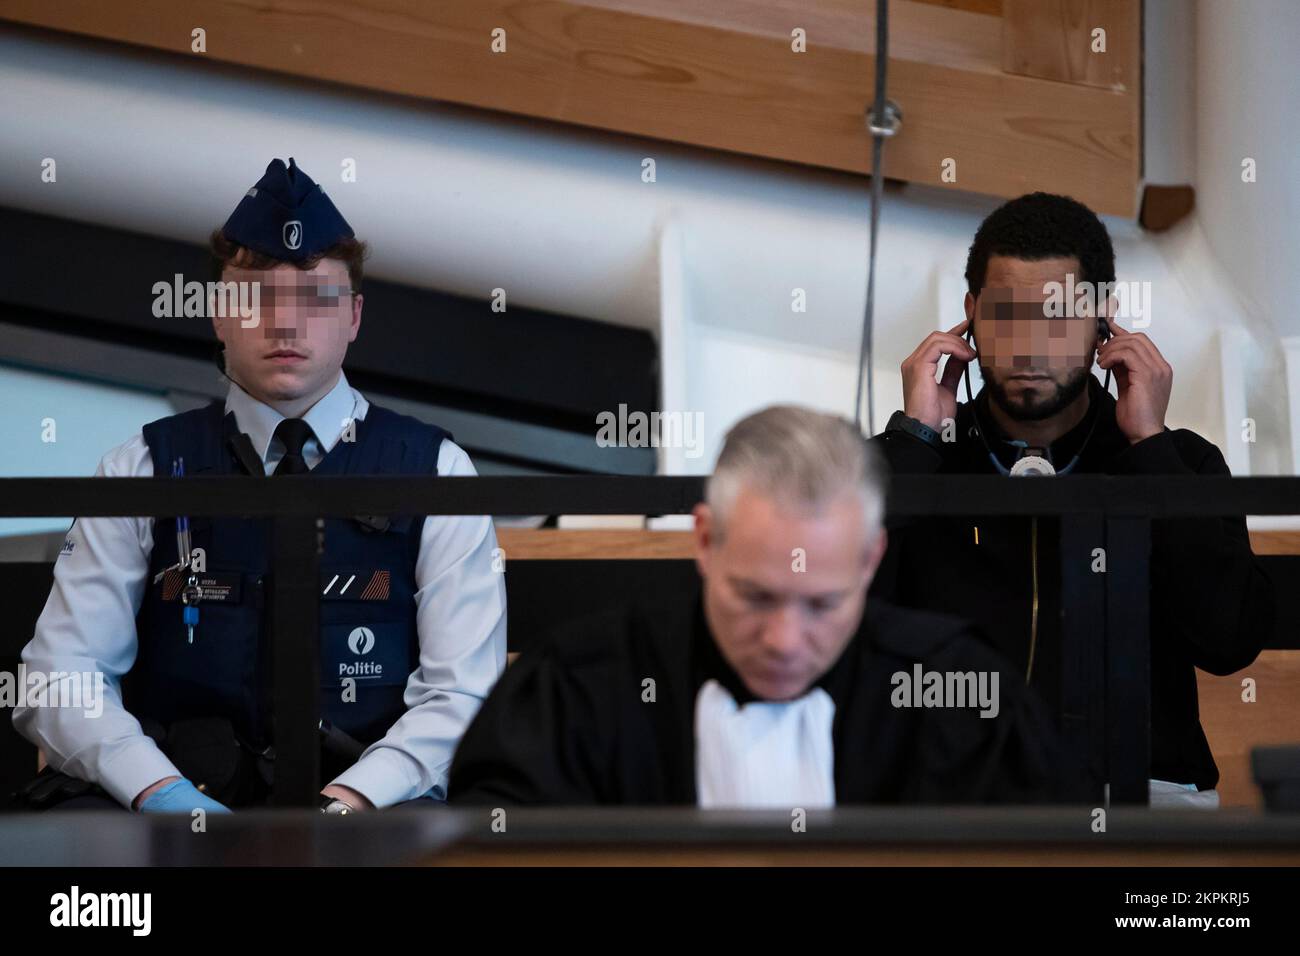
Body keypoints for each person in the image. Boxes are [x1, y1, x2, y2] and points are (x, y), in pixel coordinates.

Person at [13, 158, 506, 814]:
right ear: (219, 314)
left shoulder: (436, 471)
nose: (286, 325)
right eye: (257, 298)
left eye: (316, 298)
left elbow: (463, 695)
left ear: (354, 316)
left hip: (371, 812)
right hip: (171, 806)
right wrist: (160, 792)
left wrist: (355, 800)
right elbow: (61, 679)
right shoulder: (141, 468)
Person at [872, 192, 1274, 808]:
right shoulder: (911, 461)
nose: (1030, 344)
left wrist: (1150, 449)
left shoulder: (1181, 462)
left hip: (1146, 796)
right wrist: (914, 441)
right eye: (1006, 314)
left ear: (1103, 324)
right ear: (970, 317)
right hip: (950, 803)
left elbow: (1228, 641)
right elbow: (837, 622)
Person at [449, 406, 1067, 806]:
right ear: (704, 541)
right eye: (755, 596)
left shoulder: (961, 700)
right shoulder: (577, 692)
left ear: (870, 560)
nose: (784, 640)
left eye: (823, 604)